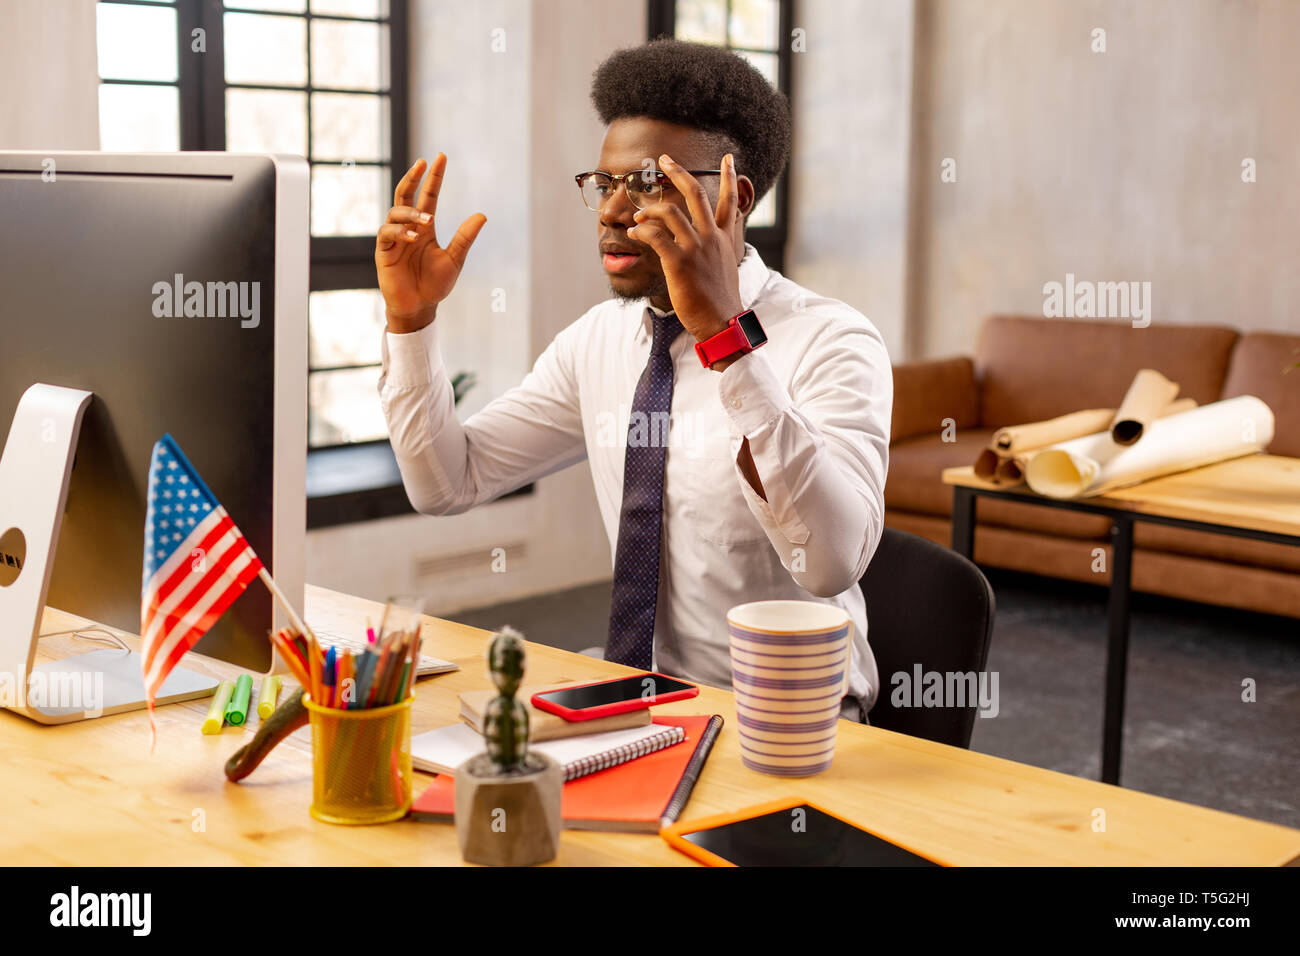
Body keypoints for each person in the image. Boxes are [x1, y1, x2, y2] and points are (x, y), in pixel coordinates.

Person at [373, 39, 892, 722]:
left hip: (788, 718)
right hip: (641, 706)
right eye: (604, 182)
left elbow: (828, 564)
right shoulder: (601, 340)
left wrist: (723, 338)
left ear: (734, 198)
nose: (614, 210)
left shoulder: (832, 341)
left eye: (649, 183)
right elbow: (446, 483)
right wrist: (411, 323)